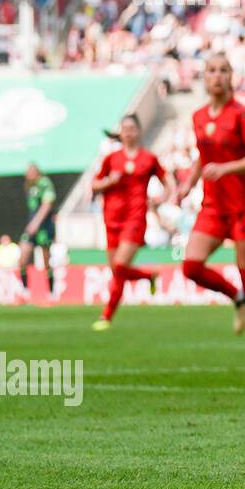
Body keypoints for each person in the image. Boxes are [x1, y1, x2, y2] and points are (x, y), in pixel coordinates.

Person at [174, 52, 245, 360]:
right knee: (191, 266)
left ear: (230, 77)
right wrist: (187, 183)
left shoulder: (241, 115)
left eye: (223, 70)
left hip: (244, 207)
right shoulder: (198, 117)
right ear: (205, 77)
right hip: (213, 206)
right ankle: (235, 297)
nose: (218, 76)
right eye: (212, 70)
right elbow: (203, 156)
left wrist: (226, 168)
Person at [90, 114, 174, 331]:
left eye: (132, 128)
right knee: (117, 270)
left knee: (119, 265)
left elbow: (167, 183)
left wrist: (161, 199)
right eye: (125, 128)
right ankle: (149, 275)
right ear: (121, 132)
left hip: (135, 220)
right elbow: (95, 185)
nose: (128, 132)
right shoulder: (111, 159)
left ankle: (106, 316)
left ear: (139, 131)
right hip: (111, 219)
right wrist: (110, 181)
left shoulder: (148, 159)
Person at [19, 163, 58, 301]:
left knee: (46, 260)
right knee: (23, 257)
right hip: (31, 227)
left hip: (42, 227)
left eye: (32, 171)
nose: (29, 174)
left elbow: (47, 204)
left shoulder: (44, 183)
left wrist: (35, 223)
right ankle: (25, 291)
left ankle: (52, 292)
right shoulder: (29, 186)